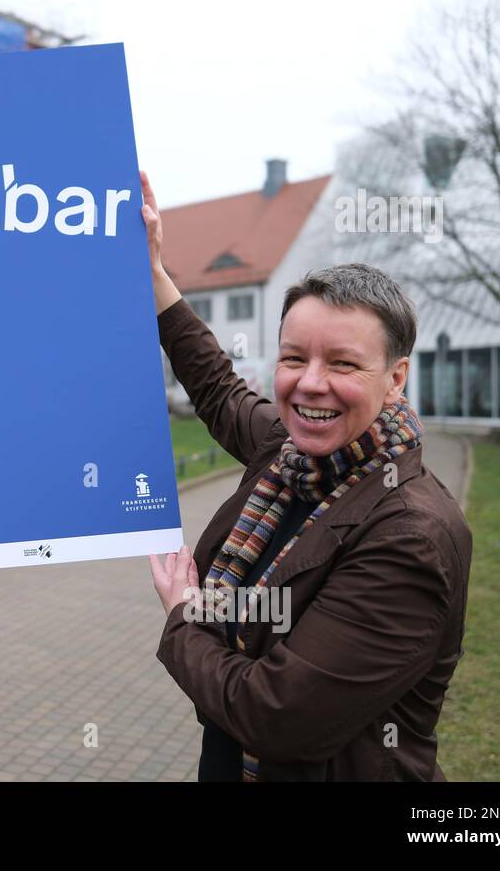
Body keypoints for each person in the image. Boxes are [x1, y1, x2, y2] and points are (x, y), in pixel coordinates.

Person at [139, 171, 472, 781]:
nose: (310, 382)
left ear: (395, 378)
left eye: (343, 363)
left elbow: (278, 717)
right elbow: (216, 385)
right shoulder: (288, 453)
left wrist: (186, 615)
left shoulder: (410, 536)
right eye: (294, 357)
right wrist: (154, 273)